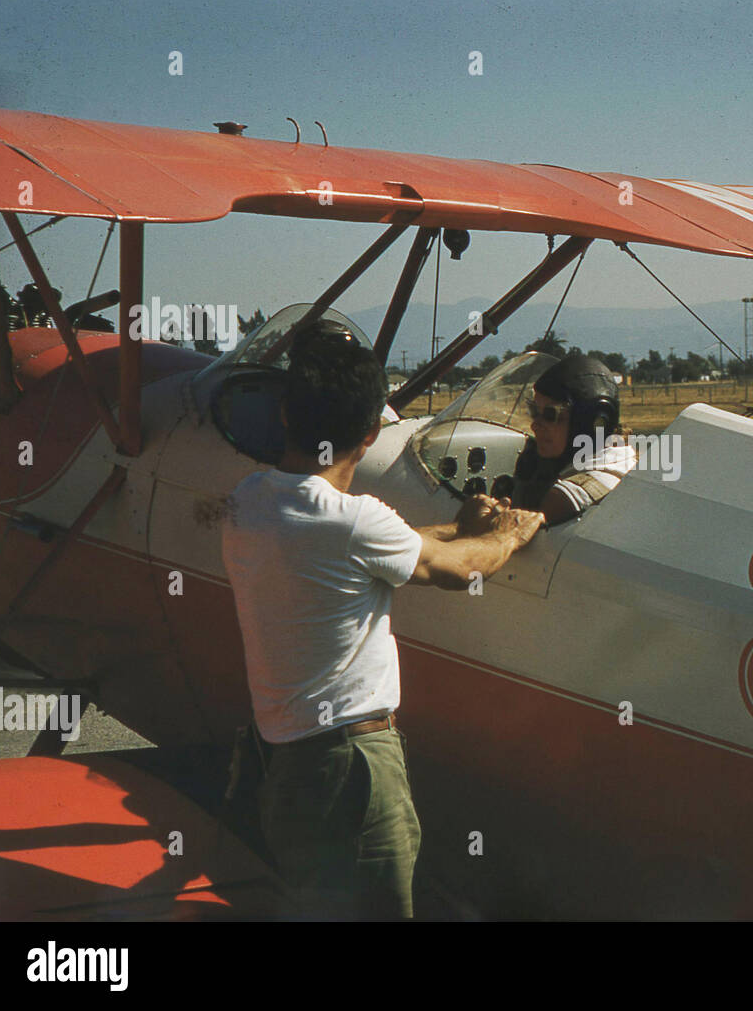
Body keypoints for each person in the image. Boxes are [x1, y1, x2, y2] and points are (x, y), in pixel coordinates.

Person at [221, 321, 543, 919]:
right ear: (371, 434)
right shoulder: (354, 521)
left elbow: (367, 548)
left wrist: (455, 529)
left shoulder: (248, 501)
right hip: (351, 767)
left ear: (289, 416)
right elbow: (457, 571)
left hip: (286, 765)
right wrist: (509, 532)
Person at [507, 354, 636, 526]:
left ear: (587, 422)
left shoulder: (565, 499)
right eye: (534, 411)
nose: (535, 426)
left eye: (551, 415)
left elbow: (502, 541)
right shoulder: (623, 459)